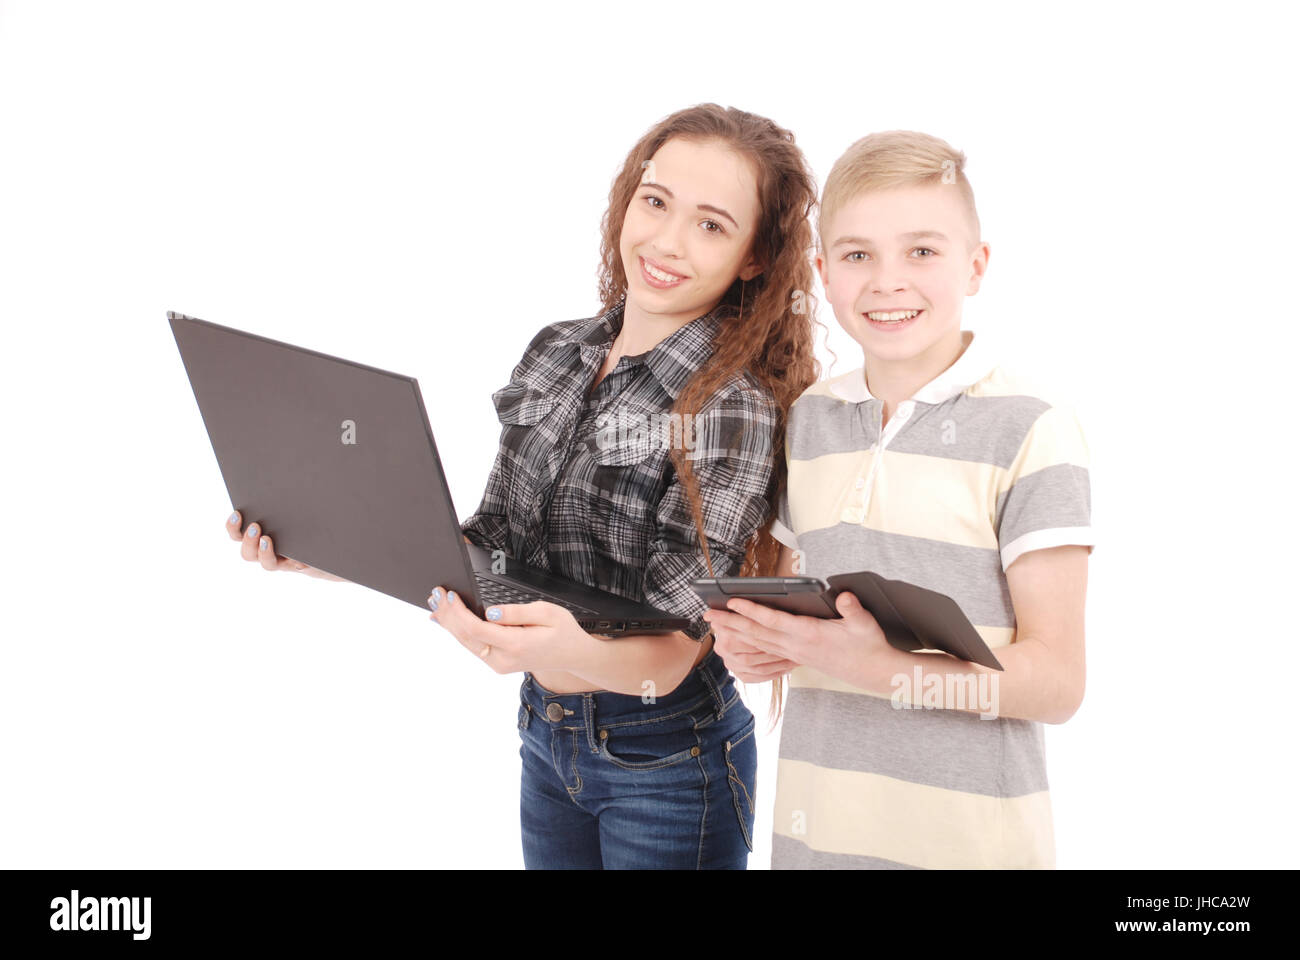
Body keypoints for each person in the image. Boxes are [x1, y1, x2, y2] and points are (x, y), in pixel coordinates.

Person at [231, 104, 820, 869]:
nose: (667, 241)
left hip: (668, 760)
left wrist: (556, 647)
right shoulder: (559, 349)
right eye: (656, 201)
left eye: (711, 225)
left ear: (752, 258)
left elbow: (673, 654)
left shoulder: (731, 406)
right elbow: (496, 539)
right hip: (546, 734)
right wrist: (335, 545)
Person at [705, 130, 1094, 869]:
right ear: (822, 272)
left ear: (976, 266)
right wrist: (758, 645)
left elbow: (1059, 683)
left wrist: (879, 669)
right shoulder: (810, 420)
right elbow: (799, 615)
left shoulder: (1032, 425)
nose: (888, 282)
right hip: (813, 845)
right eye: (857, 255)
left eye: (922, 251)